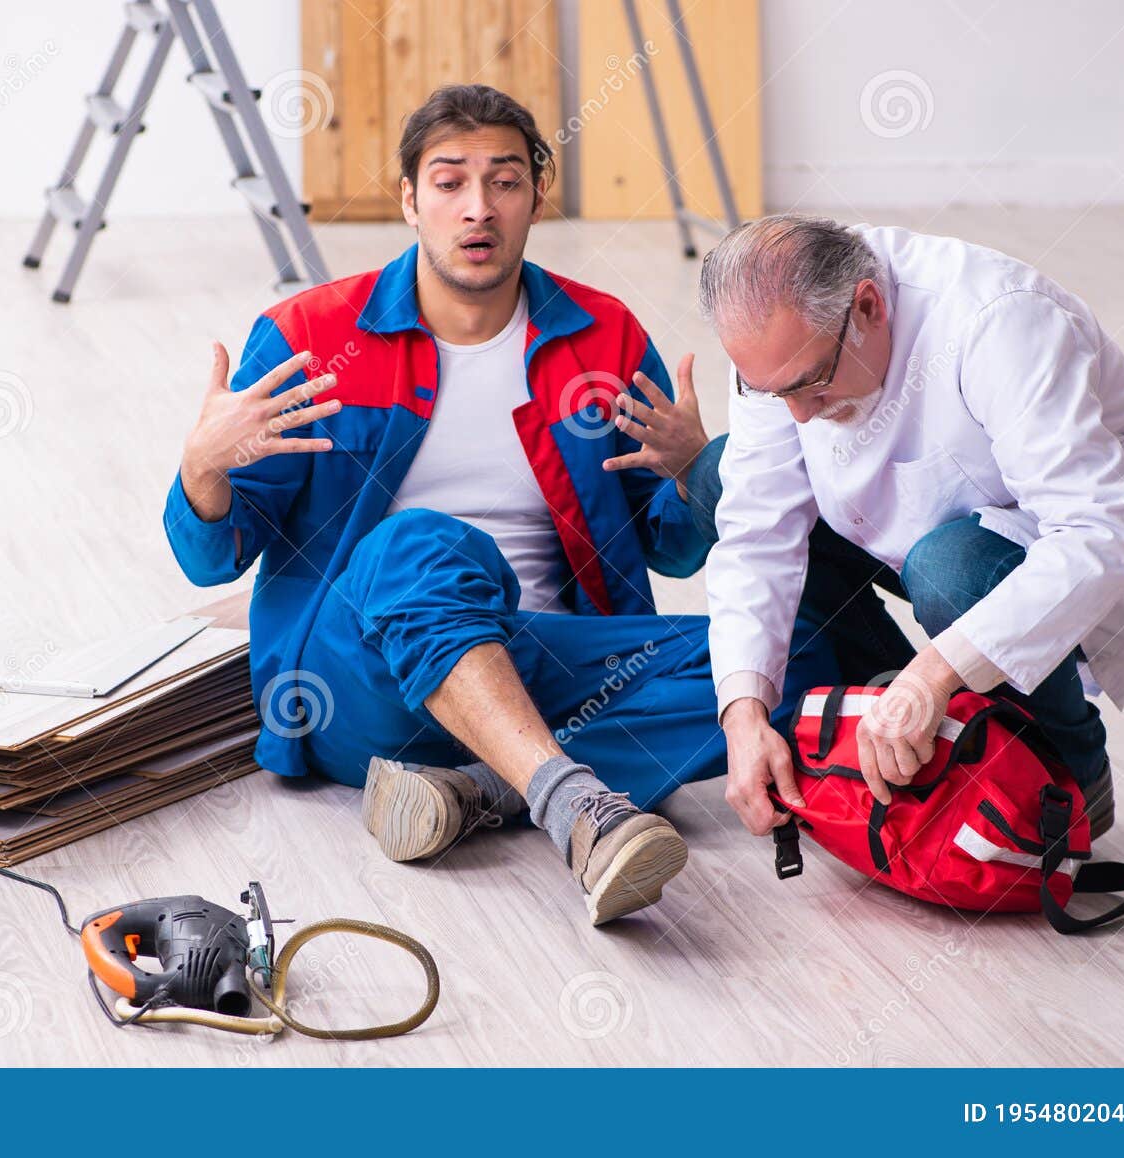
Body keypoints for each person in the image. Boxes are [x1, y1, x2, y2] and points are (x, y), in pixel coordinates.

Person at [162, 86, 836, 925]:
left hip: (545, 666)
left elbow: (669, 549)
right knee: (422, 546)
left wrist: (698, 472)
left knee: (796, 657)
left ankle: (486, 788)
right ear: (409, 198)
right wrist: (202, 468)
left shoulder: (602, 336)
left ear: (536, 199)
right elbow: (210, 557)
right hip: (361, 679)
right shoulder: (309, 334)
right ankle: (574, 804)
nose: (477, 208)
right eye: (449, 182)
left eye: (505, 181)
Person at [663, 214, 1124, 840]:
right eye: (772, 393)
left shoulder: (999, 320)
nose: (798, 414)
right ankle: (899, 730)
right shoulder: (786, 341)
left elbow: (1100, 533)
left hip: (1122, 547)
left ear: (869, 306)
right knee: (721, 476)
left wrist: (934, 674)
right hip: (930, 529)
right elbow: (755, 533)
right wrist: (744, 715)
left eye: (812, 385)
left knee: (949, 569)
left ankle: (1068, 771)